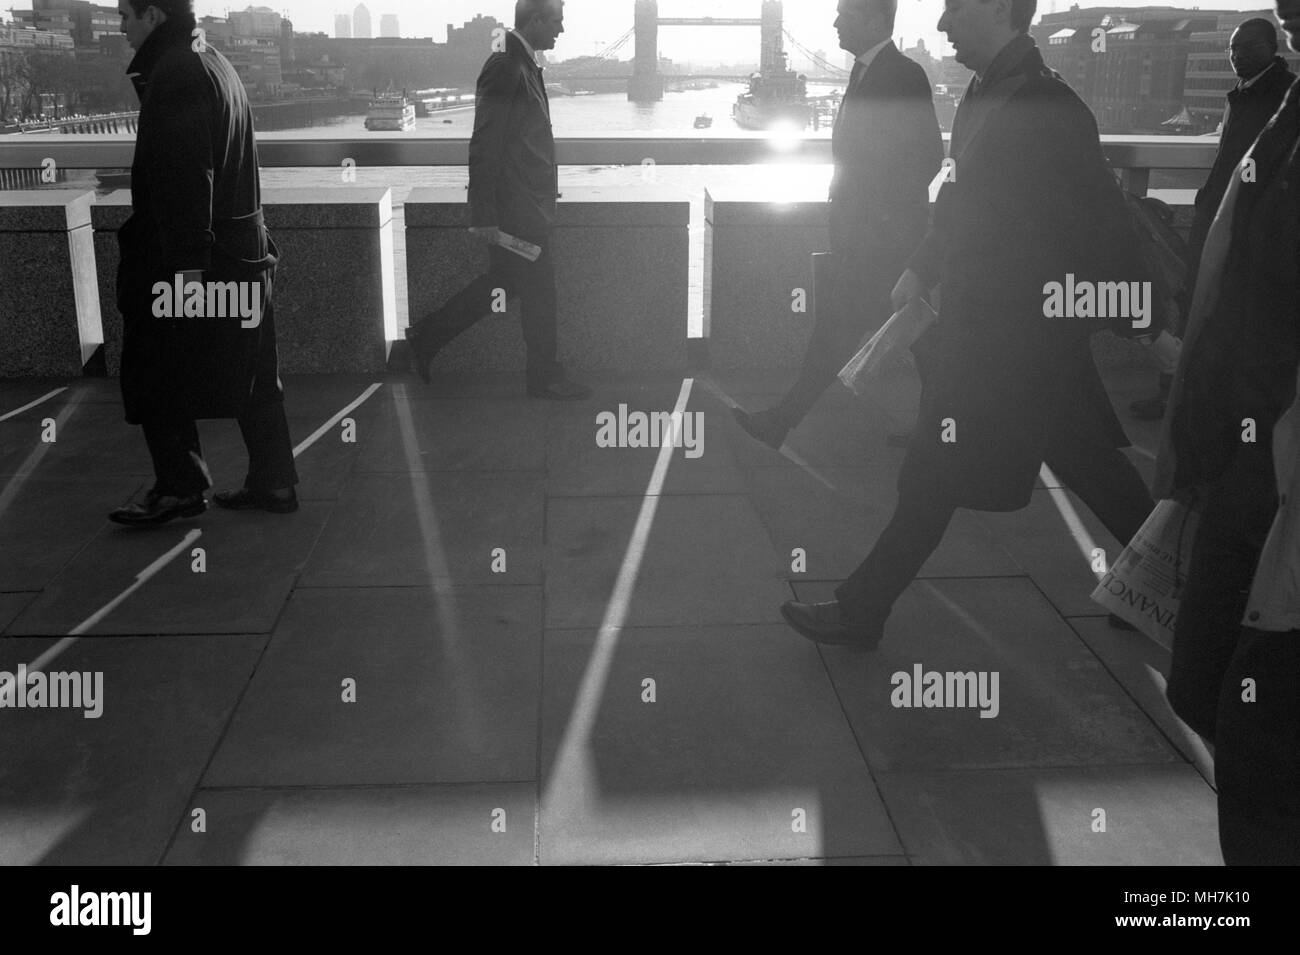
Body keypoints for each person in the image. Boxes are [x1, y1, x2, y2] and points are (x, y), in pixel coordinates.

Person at [779, 0, 1154, 649]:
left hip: (1016, 345)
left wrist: (1148, 321)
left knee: (933, 474)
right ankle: (1175, 586)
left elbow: (1104, 222)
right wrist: (922, 267)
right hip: (1005, 342)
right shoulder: (987, 92)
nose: (945, 23)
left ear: (1004, 11)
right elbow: (958, 200)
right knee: (1090, 473)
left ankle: (861, 609)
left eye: (957, 9)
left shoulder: (1049, 106)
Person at [1155, 0, 1300, 753]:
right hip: (1244, 440)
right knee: (1204, 688)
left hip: (1273, 460)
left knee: (1242, 717)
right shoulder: (1283, 107)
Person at [109, 0, 297, 527]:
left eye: (126, 15)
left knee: (153, 368)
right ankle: (274, 482)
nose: (121, 27)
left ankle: (179, 486)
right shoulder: (213, 59)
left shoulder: (176, 73)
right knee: (258, 372)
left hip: (195, 261)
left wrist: (186, 275)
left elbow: (189, 179)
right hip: (246, 251)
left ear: (154, 16)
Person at [733, 0, 943, 451]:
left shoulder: (903, 74)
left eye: (843, 15)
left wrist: (882, 219)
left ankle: (782, 421)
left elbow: (927, 153)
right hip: (862, 237)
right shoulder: (863, 71)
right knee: (904, 333)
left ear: (872, 20)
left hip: (885, 240)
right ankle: (949, 424)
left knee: (855, 329)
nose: (834, 22)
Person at [406, 0, 590, 401]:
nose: (561, 30)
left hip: (524, 205)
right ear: (535, 19)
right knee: (540, 292)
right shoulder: (506, 66)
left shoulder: (520, 62)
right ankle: (544, 378)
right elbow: (485, 142)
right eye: (556, 21)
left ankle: (427, 336)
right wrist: (484, 213)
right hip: (517, 209)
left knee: (508, 284)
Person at [1130, 17, 1296, 422]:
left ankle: (1191, 402)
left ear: (1273, 47)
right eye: (1233, 49)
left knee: (1212, 312)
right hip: (1219, 217)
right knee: (1196, 306)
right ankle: (1182, 398)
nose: (1238, 56)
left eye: (1248, 48)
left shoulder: (1282, 96)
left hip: (1244, 228)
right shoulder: (1244, 93)